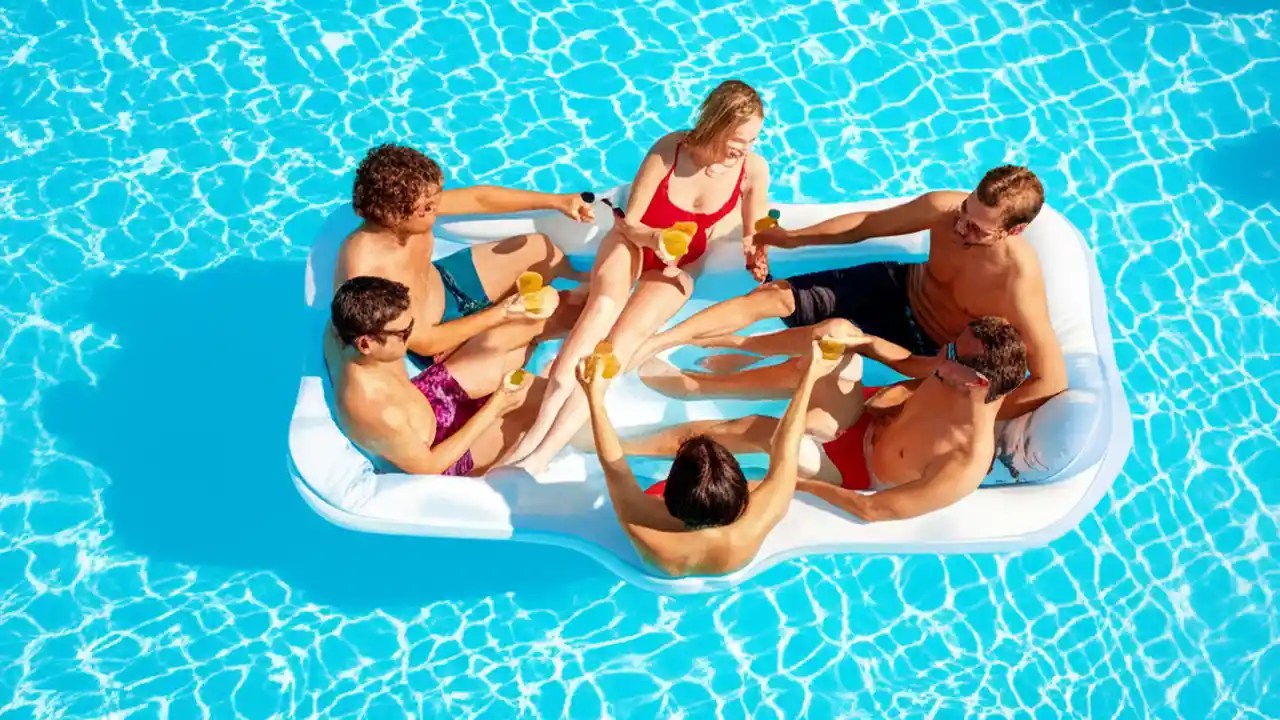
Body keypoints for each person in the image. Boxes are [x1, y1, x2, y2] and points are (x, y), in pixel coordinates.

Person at [636, 165, 1065, 419]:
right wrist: (793, 239)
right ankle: (659, 341)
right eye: (966, 209)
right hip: (900, 284)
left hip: (925, 343)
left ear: (1015, 231)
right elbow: (866, 225)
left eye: (976, 228)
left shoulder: (1016, 282)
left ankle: (720, 370)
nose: (959, 227)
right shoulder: (947, 208)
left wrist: (976, 412)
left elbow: (1050, 379)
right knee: (773, 297)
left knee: (839, 361)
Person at [499, 79, 773, 473]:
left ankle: (541, 457)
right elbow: (630, 223)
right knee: (600, 313)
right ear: (715, 123)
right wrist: (655, 238)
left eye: (752, 140)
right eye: (739, 139)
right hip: (631, 244)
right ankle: (532, 433)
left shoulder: (752, 170)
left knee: (616, 349)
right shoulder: (672, 150)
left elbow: (753, 233)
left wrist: (754, 254)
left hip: (679, 267)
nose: (745, 149)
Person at [623, 316, 1028, 522]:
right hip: (864, 420)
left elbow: (871, 511)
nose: (943, 352)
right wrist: (861, 341)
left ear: (977, 383)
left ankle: (621, 449)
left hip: (851, 471)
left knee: (764, 431)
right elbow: (907, 361)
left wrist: (790, 483)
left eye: (953, 354)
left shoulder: (962, 463)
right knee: (835, 334)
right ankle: (708, 378)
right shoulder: (949, 371)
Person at [578, 338, 839, 577]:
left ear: (669, 499)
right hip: (734, 557)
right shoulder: (760, 520)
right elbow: (786, 447)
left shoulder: (644, 528)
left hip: (662, 567)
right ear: (740, 500)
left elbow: (615, 467)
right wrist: (811, 374)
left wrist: (594, 395)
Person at [335, 143, 593, 362]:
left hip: (447, 283)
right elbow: (426, 342)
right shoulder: (366, 271)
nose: (434, 209)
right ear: (392, 215)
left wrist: (559, 201)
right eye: (427, 207)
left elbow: (480, 199)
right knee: (550, 321)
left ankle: (583, 278)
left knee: (541, 249)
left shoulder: (410, 209)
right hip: (441, 336)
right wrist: (500, 313)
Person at [324, 276, 555, 477]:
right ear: (366, 344)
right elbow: (429, 467)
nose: (411, 335)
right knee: (548, 407)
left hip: (428, 397)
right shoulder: (374, 409)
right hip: (443, 454)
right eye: (403, 333)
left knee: (521, 326)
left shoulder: (345, 329)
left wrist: (502, 312)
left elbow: (428, 340)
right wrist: (497, 405)